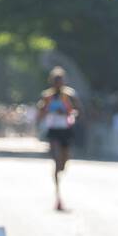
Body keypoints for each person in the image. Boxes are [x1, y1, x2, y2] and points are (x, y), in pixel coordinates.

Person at [37, 66, 81, 211]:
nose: (58, 83)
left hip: (66, 130)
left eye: (60, 80)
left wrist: (68, 112)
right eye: (56, 80)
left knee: (64, 163)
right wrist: (48, 110)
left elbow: (78, 111)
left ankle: (59, 169)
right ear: (52, 82)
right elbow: (40, 113)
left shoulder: (70, 95)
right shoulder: (47, 96)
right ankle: (57, 194)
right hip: (54, 130)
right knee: (56, 160)